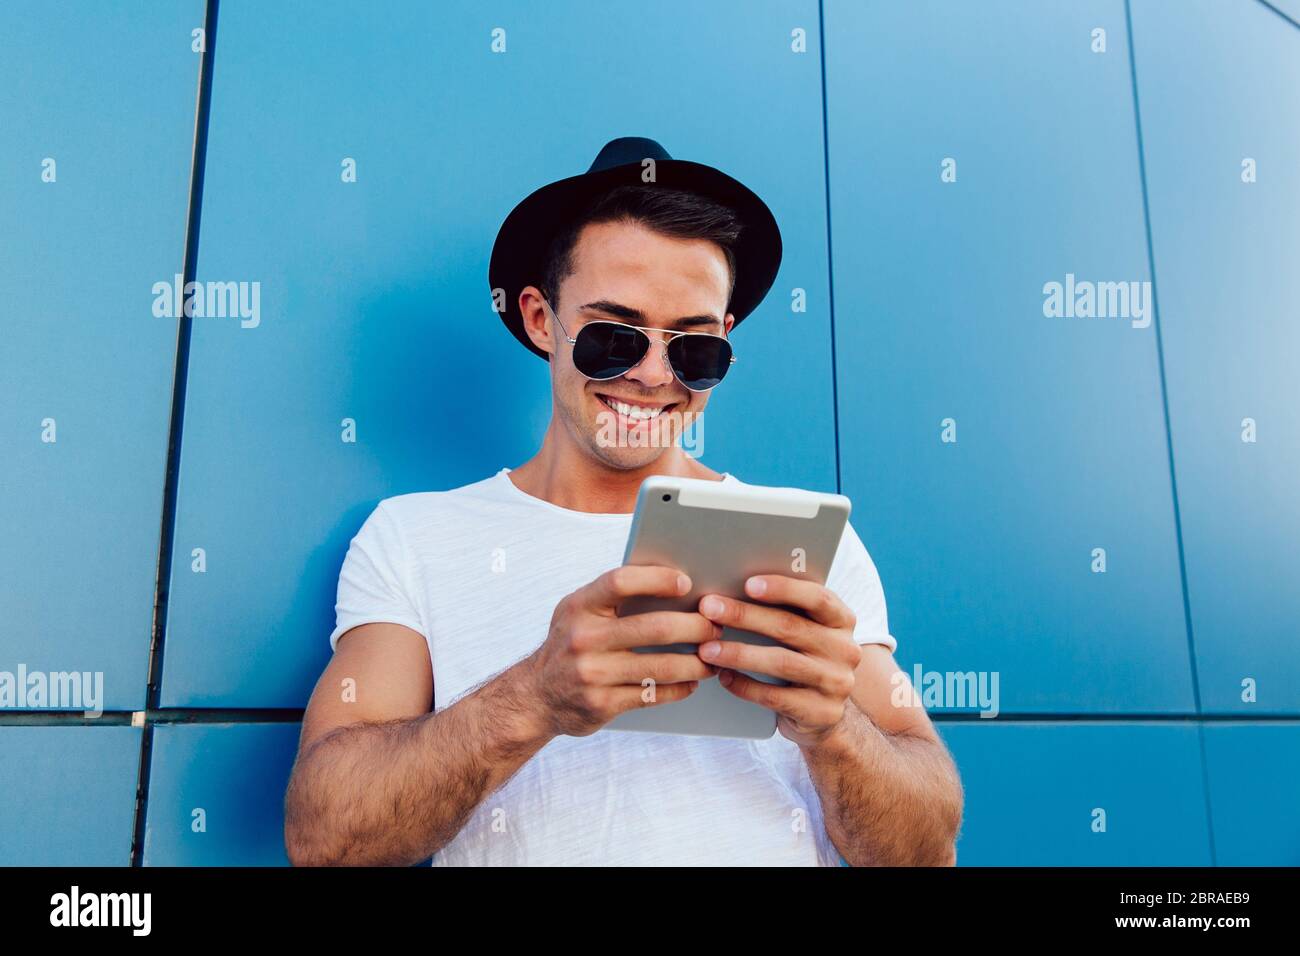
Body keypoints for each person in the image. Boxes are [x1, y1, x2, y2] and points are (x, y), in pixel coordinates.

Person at [284, 137, 963, 866]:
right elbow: (325, 836)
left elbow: (930, 849)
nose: (651, 376)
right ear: (542, 320)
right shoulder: (413, 538)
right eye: (614, 337)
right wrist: (534, 698)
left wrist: (833, 730)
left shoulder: (800, 543)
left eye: (694, 348)